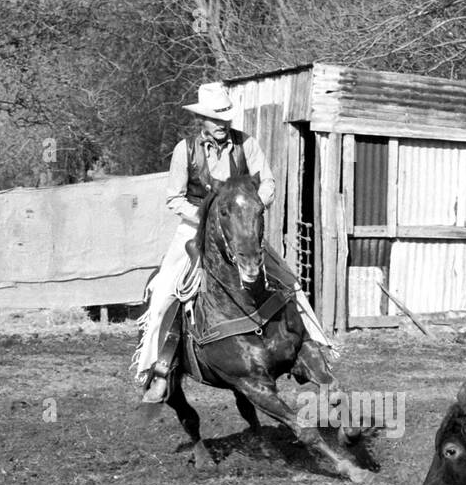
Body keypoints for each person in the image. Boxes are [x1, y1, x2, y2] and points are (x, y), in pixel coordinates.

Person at [134, 81, 331, 403]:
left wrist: (251, 207)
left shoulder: (247, 144)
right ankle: (158, 369)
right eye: (215, 119)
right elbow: (174, 198)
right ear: (202, 120)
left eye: (226, 119)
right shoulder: (185, 150)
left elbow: (267, 181)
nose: (222, 125)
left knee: (290, 282)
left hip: (241, 229)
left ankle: (318, 344)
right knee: (163, 292)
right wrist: (207, 217)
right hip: (195, 229)